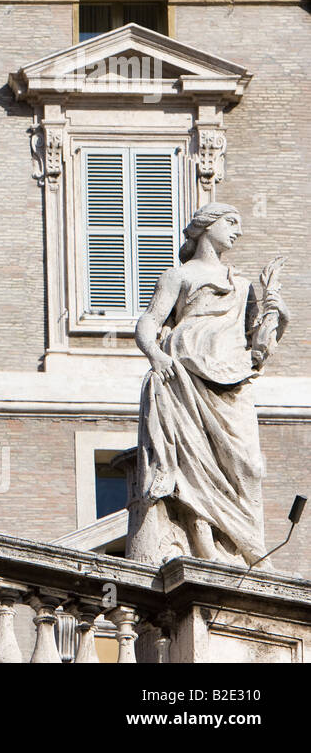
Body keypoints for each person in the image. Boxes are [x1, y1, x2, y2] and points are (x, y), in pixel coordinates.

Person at [126, 202, 289, 567]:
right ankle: (205, 542)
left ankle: (244, 543)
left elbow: (259, 346)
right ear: (206, 225)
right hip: (186, 373)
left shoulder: (243, 286)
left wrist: (273, 304)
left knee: (247, 463)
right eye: (231, 222)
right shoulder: (179, 276)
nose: (239, 231)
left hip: (232, 379)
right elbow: (148, 323)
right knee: (193, 461)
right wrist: (156, 355)